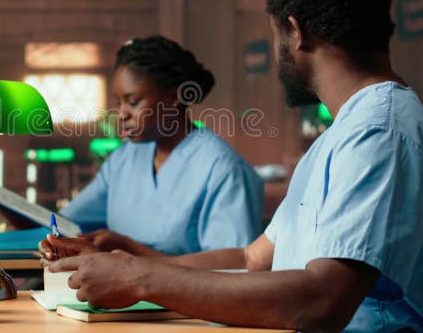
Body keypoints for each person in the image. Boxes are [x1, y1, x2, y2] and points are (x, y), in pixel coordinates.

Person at [44, 0, 423, 332]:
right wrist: (120, 263)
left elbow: (323, 300)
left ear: (296, 32)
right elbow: (251, 258)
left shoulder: (378, 133)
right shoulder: (346, 132)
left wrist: (139, 279)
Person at [49, 35, 265, 257]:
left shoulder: (224, 170)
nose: (122, 114)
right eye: (119, 102)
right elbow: (65, 223)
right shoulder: (125, 159)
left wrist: (129, 249)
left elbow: (233, 271)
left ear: (174, 98)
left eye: (133, 102)